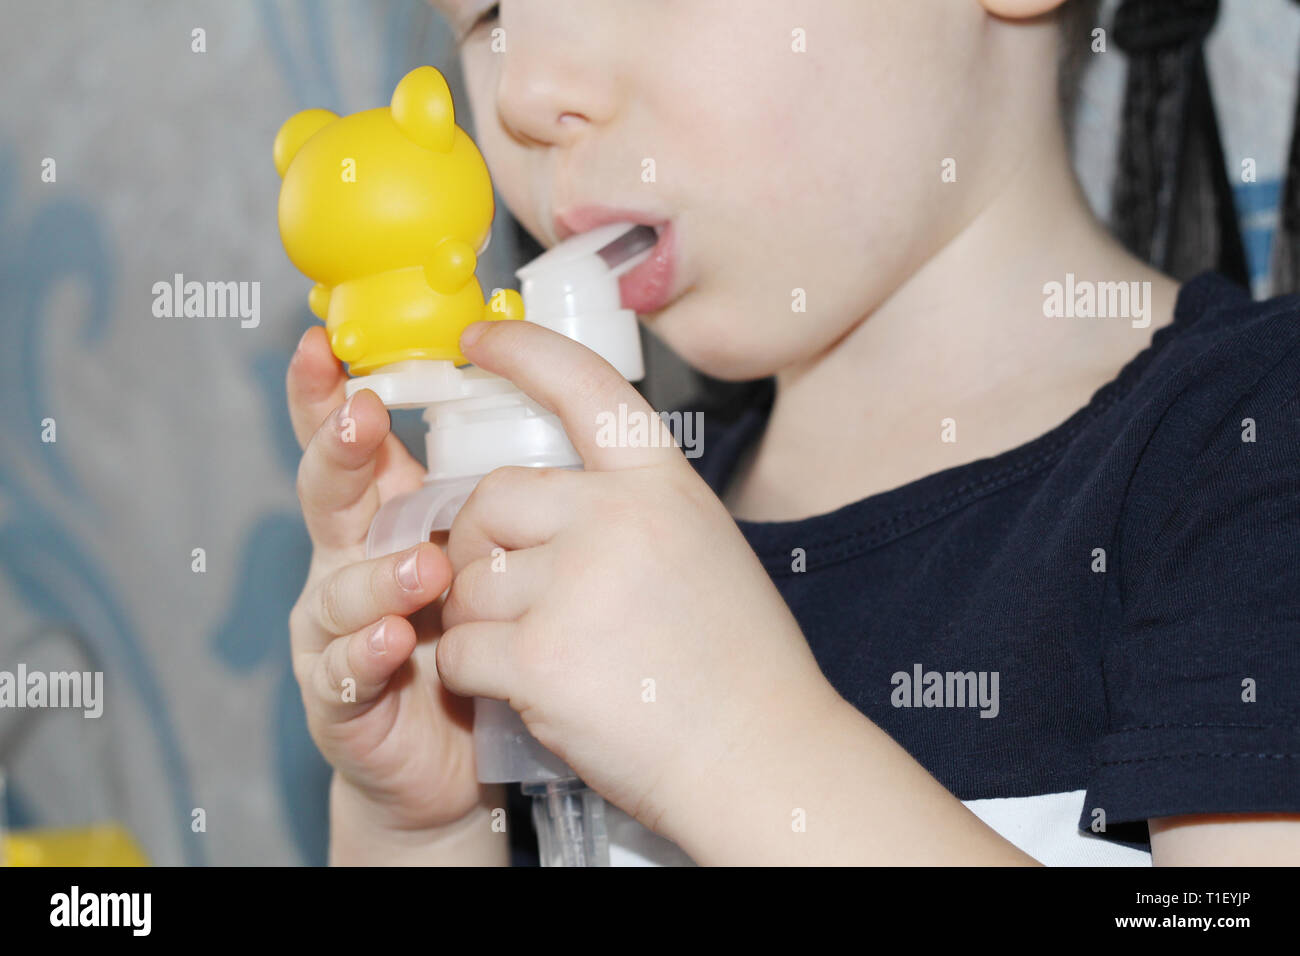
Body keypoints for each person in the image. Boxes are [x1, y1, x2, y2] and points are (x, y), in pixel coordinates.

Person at [284, 0, 1300, 865]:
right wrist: (423, 825)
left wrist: (732, 742)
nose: (524, 91)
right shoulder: (605, 540)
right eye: (488, 13)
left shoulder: (1250, 444)